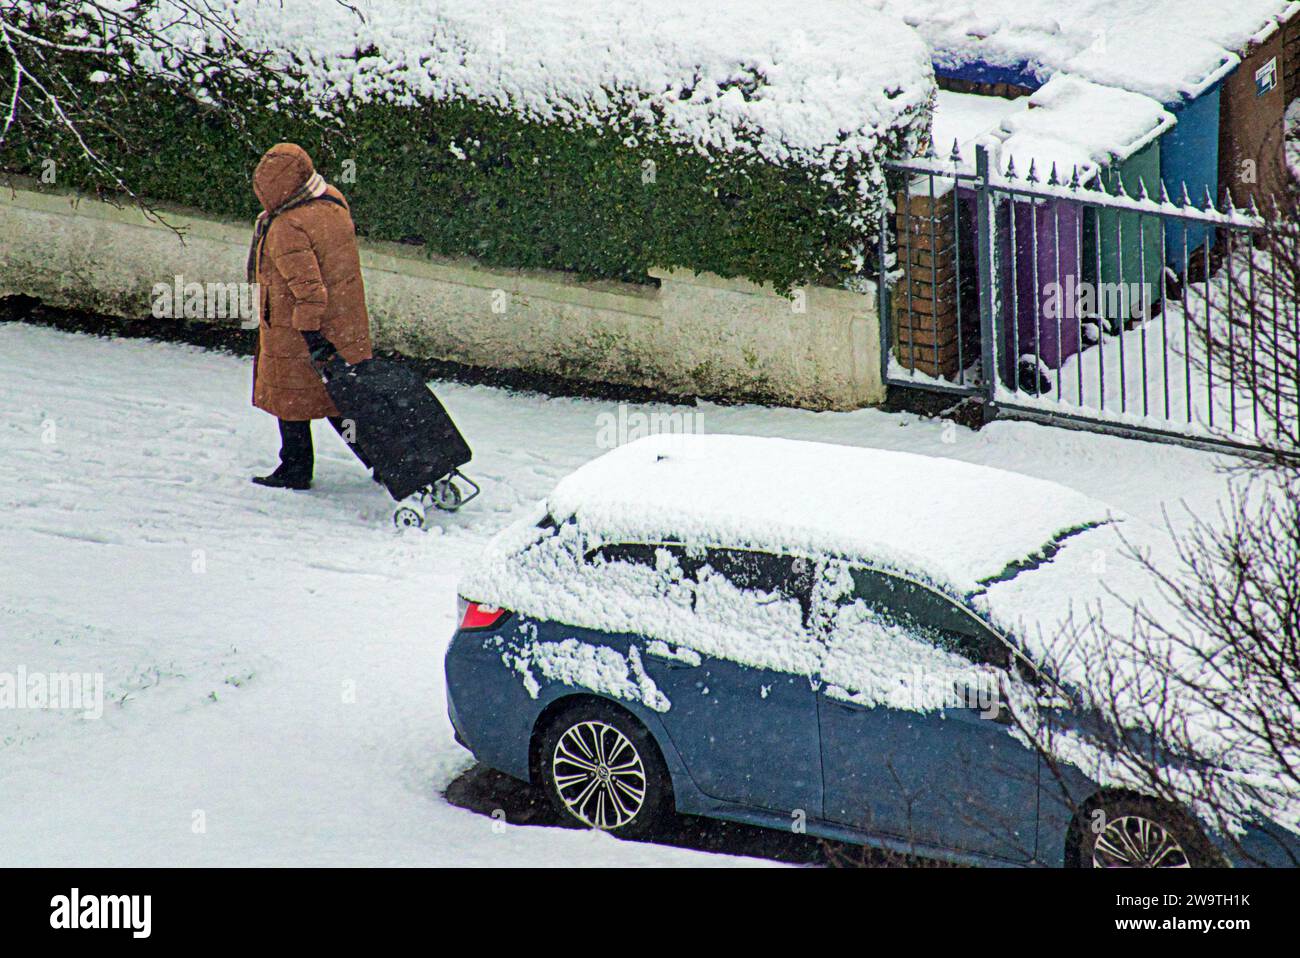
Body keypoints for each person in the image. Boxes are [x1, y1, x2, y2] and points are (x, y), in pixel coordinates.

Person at [246, 142, 373, 489]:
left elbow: (310, 290)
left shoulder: (287, 225)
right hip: (344, 322)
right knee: (340, 400)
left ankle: (295, 470)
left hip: (299, 331)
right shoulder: (332, 199)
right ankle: (384, 462)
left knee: (291, 401)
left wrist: (308, 331)